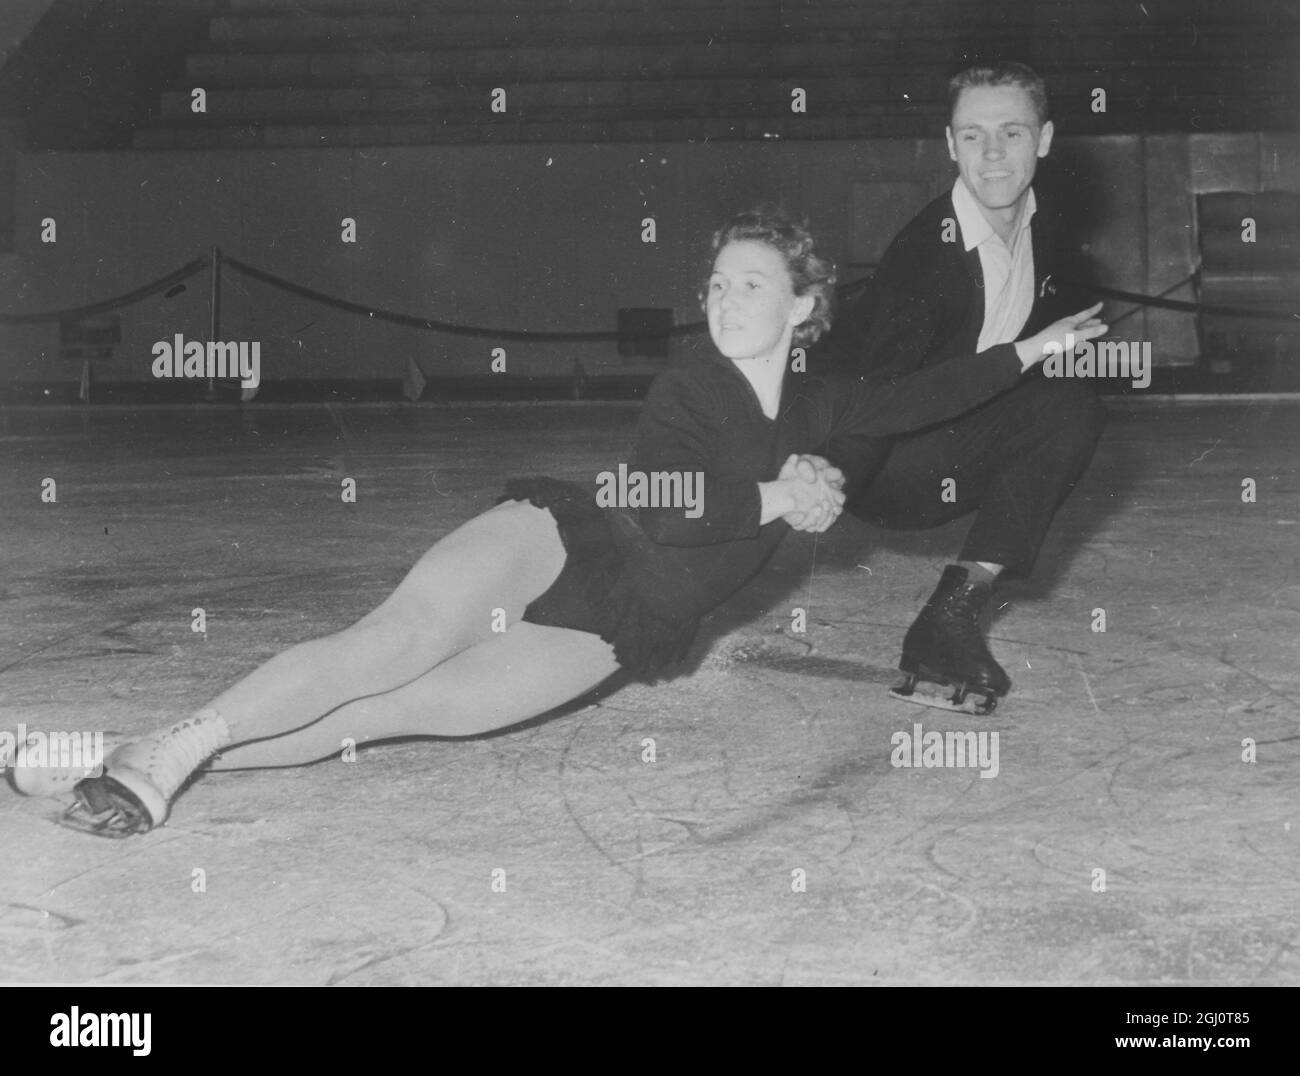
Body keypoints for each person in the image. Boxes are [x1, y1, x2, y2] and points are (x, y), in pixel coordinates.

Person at [10, 207, 1104, 836]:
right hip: (567, 536)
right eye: (717, 282)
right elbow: (657, 503)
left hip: (626, 622)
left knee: (389, 715)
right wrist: (778, 495)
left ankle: (99, 761)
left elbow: (923, 397)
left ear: (806, 305)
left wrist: (1034, 353)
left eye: (751, 284)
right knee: (380, 648)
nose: (726, 299)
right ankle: (171, 744)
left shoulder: (823, 405)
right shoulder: (688, 382)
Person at [814, 61, 1109, 712]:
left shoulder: (1045, 223)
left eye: (1012, 132)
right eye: (972, 136)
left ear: (1046, 138)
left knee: (1069, 406)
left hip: (955, 435)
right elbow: (874, 396)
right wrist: (822, 480)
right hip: (885, 456)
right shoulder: (926, 255)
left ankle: (950, 615)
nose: (994, 155)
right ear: (950, 146)